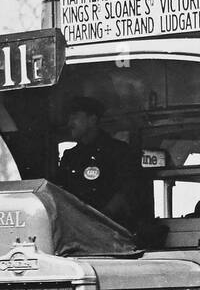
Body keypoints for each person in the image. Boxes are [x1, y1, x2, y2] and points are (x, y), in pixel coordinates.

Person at [54, 96, 151, 235]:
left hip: (113, 232)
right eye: (69, 118)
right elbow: (61, 194)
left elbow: (127, 191)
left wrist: (102, 219)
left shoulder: (119, 151)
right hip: (77, 232)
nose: (70, 123)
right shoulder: (70, 156)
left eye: (74, 117)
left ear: (92, 120)